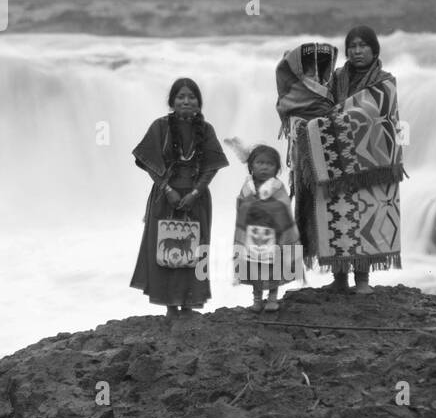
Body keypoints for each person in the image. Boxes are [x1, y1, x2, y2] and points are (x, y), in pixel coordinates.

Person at [285, 27, 405, 295]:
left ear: (375, 50)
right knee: (336, 217)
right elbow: (314, 99)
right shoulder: (336, 78)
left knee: (365, 216)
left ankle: (362, 280)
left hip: (372, 162)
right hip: (335, 160)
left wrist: (331, 119)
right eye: (352, 46)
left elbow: (376, 113)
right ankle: (339, 278)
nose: (357, 50)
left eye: (363, 45)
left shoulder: (386, 82)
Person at [130, 78, 229, 320]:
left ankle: (189, 305)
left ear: (199, 102)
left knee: (194, 250)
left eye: (192, 97)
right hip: (165, 197)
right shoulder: (160, 126)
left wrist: (195, 192)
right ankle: (170, 307)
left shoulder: (206, 130)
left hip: (197, 200)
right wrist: (167, 189)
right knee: (165, 249)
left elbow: (211, 167)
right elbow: (149, 163)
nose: (187, 101)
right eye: (181, 97)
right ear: (172, 101)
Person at [232, 144, 303, 313]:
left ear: (277, 169)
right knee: (254, 266)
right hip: (252, 235)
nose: (264, 167)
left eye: (269, 164)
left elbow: (284, 206)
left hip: (274, 235)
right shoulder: (247, 186)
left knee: (274, 267)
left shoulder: (277, 187)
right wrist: (250, 206)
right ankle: (257, 299)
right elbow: (241, 205)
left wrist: (268, 208)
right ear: (251, 166)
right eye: (260, 163)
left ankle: (272, 298)